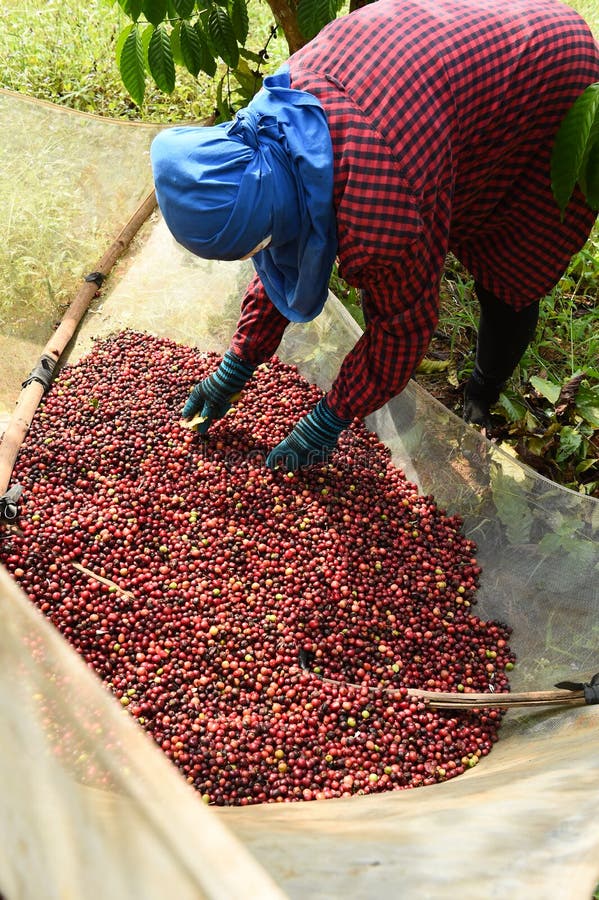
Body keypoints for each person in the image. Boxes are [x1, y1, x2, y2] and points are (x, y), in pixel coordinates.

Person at [150, 0, 599, 470]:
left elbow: (403, 325)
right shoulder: (271, 124)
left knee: (514, 257)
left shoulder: (382, 199)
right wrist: (240, 359)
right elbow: (280, 249)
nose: (260, 255)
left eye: (254, 245)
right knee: (447, 200)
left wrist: (330, 417)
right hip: (460, 67)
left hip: (550, 76)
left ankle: (482, 392)